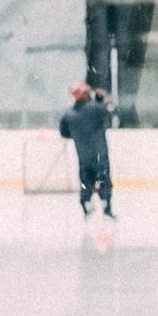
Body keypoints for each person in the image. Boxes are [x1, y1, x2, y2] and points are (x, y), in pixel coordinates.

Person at [59, 81, 114, 218]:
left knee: (85, 181)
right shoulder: (97, 109)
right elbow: (109, 117)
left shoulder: (68, 115)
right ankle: (106, 207)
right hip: (100, 155)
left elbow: (64, 133)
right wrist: (103, 99)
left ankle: (86, 205)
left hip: (83, 156)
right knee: (104, 182)